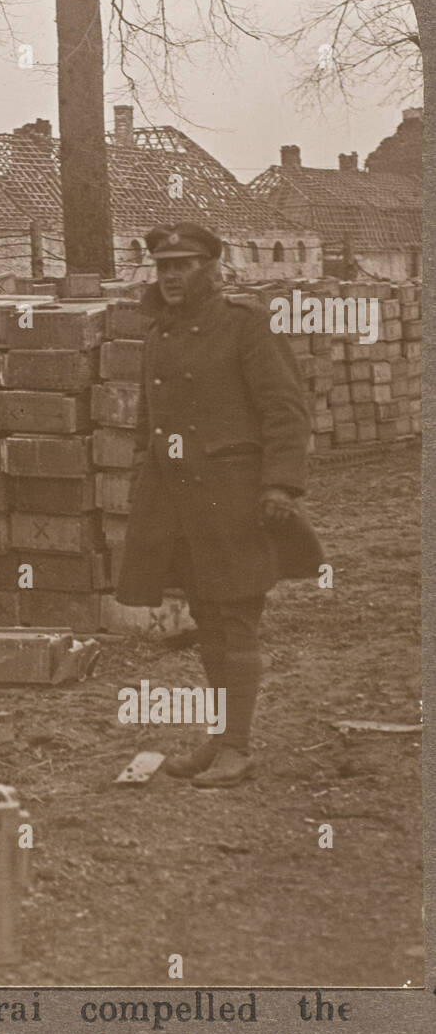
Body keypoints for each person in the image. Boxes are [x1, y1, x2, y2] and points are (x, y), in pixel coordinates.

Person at [116, 222, 321, 788]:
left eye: (183, 265)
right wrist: (143, 474)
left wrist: (280, 485)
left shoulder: (244, 327)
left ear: (210, 268)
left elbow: (285, 410)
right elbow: (147, 421)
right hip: (176, 503)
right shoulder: (158, 332)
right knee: (208, 619)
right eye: (163, 267)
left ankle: (239, 748)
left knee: (235, 621)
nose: (172, 276)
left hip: (234, 502)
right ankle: (222, 736)